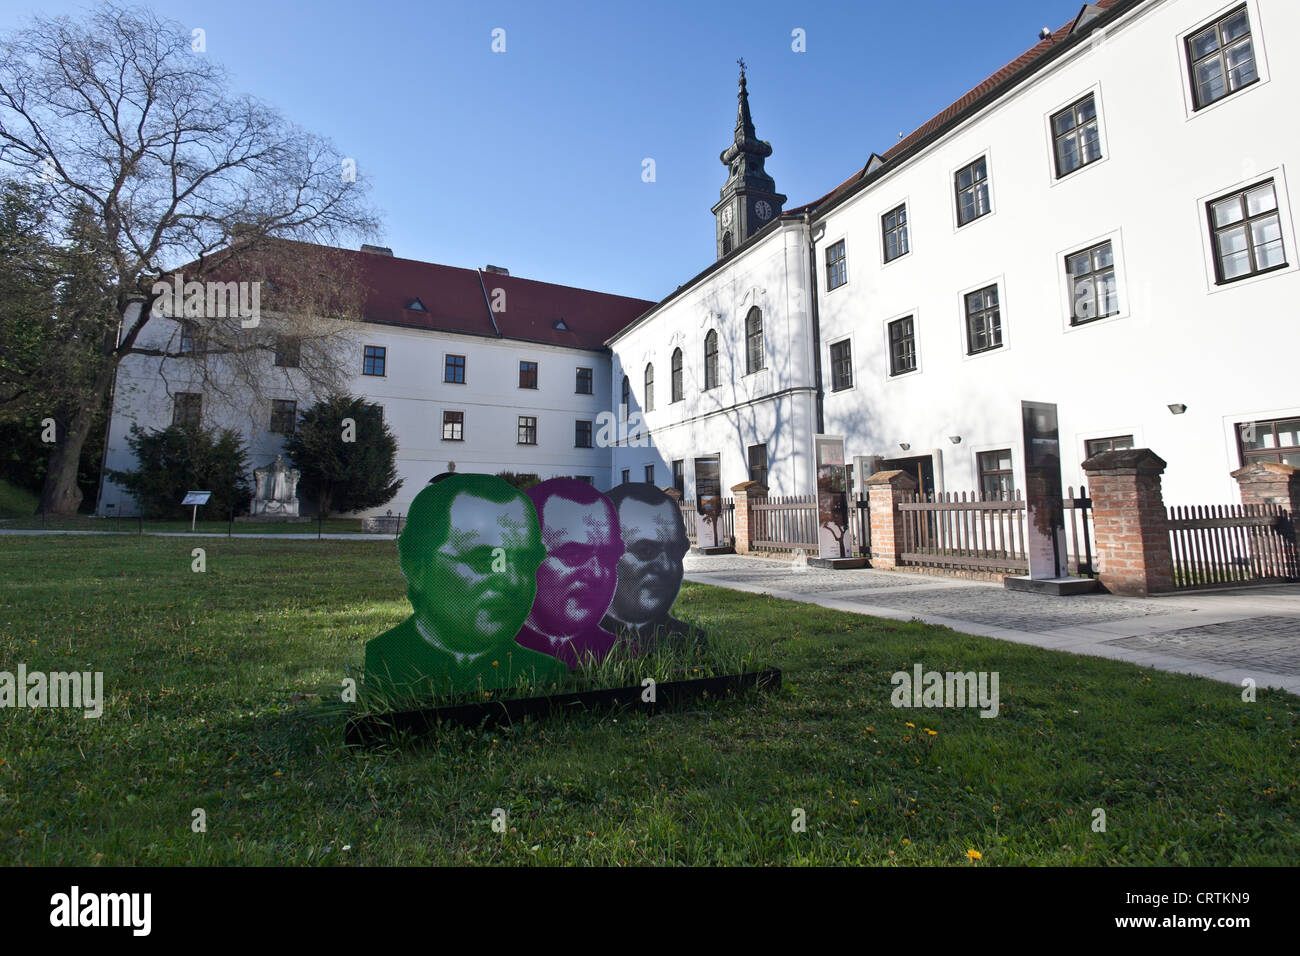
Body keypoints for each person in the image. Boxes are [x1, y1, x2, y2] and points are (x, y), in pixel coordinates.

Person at [363, 474, 569, 700]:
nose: (512, 582)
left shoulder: (545, 673)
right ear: (417, 568)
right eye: (484, 561)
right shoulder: (381, 660)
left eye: (525, 562)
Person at [513, 479, 625, 669]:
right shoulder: (490, 660)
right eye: (574, 555)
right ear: (526, 558)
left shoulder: (626, 656)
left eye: (608, 556)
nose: (597, 574)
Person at [599, 483, 700, 650]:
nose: (667, 567)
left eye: (675, 551)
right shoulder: (573, 647)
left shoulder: (693, 642)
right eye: (646, 551)